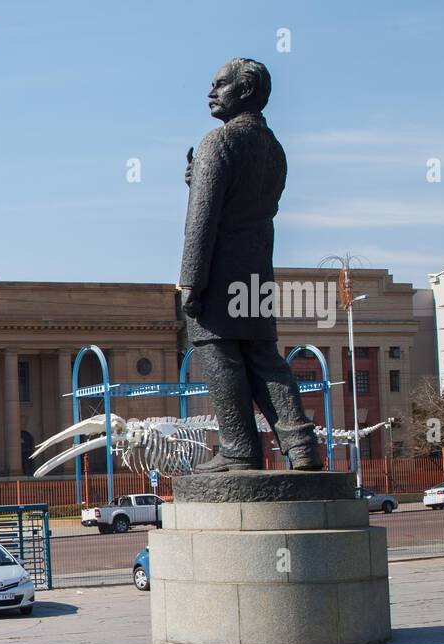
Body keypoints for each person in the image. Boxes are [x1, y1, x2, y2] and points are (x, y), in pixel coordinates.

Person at [179, 57, 322, 473]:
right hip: (257, 270)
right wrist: (199, 179)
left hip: (219, 273)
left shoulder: (217, 143)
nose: (211, 92)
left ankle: (238, 449)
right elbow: (251, 203)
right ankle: (301, 446)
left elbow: (202, 220)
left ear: (243, 91)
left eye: (220, 84)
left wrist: (191, 280)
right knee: (264, 357)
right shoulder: (273, 148)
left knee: (218, 353)